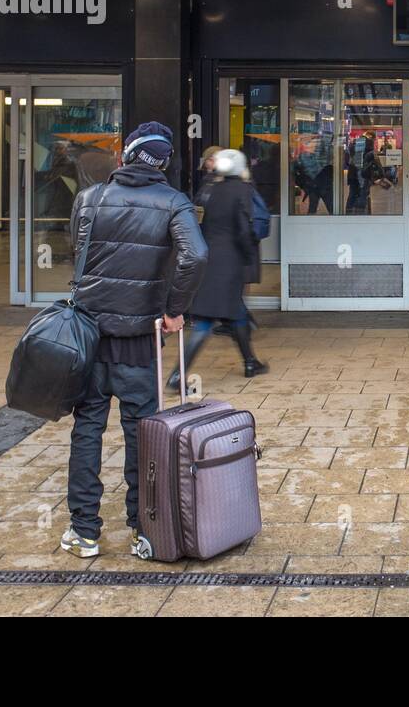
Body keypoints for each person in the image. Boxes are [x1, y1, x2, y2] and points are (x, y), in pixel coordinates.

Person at [62, 122, 208, 559]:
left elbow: (78, 253)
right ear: (162, 163)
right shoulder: (173, 203)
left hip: (89, 335)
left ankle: (84, 531)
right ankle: (142, 529)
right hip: (139, 339)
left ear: (127, 155)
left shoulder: (90, 198)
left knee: (87, 429)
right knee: (140, 435)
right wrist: (174, 309)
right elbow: (196, 255)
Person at [168, 148, 269, 390]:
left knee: (235, 313)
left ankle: (250, 362)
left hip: (209, 257)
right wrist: (247, 254)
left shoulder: (209, 190)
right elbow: (244, 227)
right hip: (230, 260)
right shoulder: (242, 190)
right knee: (207, 321)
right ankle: (177, 375)